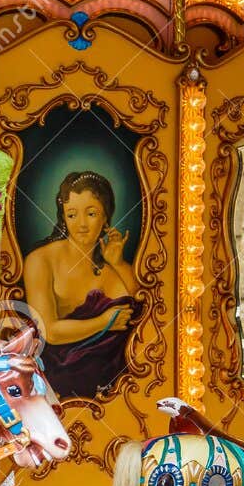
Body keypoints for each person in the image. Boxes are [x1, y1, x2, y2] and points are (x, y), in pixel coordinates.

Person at [20, 169, 142, 399]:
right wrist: (104, 322)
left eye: (92, 213)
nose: (82, 224)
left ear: (106, 216)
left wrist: (118, 263)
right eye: (72, 215)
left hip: (117, 391)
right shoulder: (41, 260)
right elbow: (49, 331)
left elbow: (143, 313)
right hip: (55, 378)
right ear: (63, 216)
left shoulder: (114, 265)